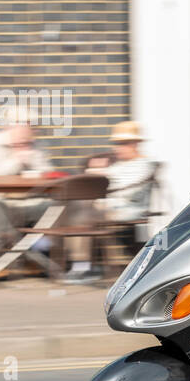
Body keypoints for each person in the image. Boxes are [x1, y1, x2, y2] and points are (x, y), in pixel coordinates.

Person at [64, 121, 158, 284]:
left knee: (82, 214)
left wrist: (104, 196)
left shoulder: (144, 165)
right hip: (112, 207)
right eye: (116, 143)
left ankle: (82, 266)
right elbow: (106, 183)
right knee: (73, 208)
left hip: (127, 210)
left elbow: (131, 193)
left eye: (122, 144)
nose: (117, 148)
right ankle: (79, 263)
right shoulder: (119, 165)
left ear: (135, 144)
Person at [0, 109, 55, 245]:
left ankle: (40, 246)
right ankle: (19, 246)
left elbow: (49, 174)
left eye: (35, 128)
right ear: (11, 126)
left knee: (64, 203)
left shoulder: (37, 145)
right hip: (1, 205)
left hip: (32, 202)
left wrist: (33, 159)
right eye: (30, 127)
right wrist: (15, 161)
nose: (34, 131)